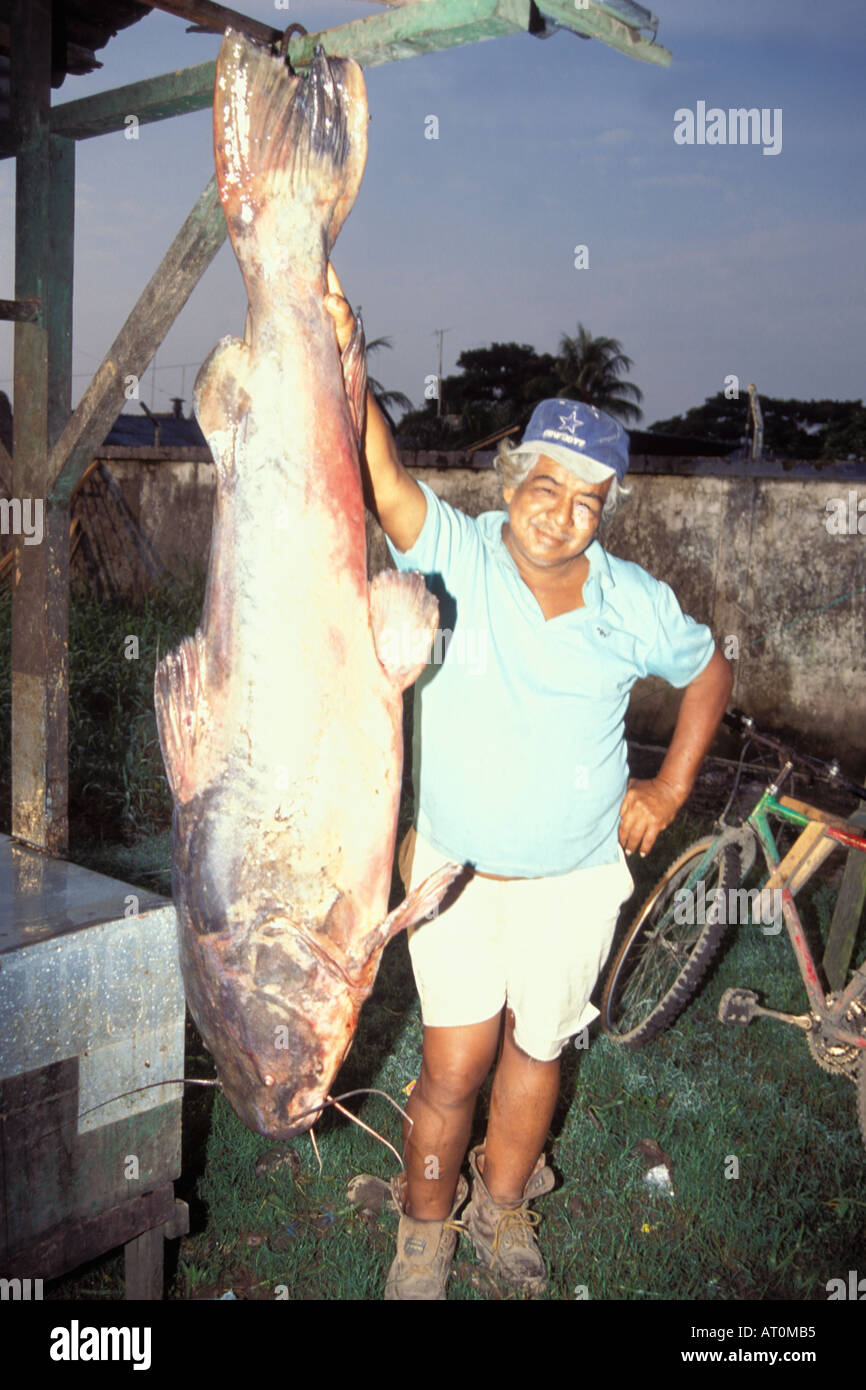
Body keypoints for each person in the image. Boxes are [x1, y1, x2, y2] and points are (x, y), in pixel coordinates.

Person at [325, 268, 734, 1301]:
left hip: (574, 877)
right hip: (455, 876)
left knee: (535, 1053)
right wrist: (342, 355)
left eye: (586, 500)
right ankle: (425, 1229)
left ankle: (503, 1206)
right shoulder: (457, 552)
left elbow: (706, 669)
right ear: (509, 481)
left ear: (606, 510)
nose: (559, 515)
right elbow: (380, 478)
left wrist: (667, 786)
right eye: (542, 487)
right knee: (453, 1063)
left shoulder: (631, 600)